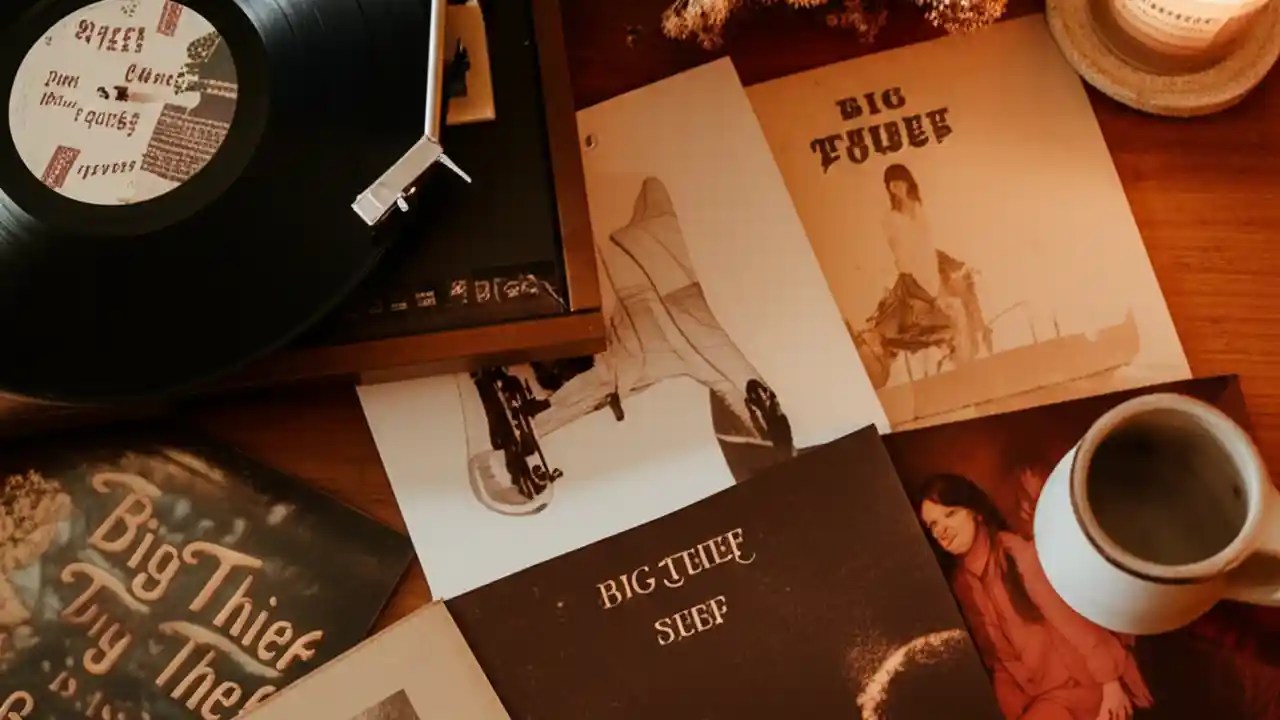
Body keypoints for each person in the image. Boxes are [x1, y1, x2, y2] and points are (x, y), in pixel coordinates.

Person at [914, 473, 1152, 720]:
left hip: (1081, 684)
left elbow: (1073, 621)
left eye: (950, 514)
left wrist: (1110, 684)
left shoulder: (1018, 555)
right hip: (1040, 697)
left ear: (976, 512)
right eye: (932, 525)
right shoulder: (962, 586)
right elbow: (999, 662)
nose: (941, 530)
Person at [860, 165, 991, 384]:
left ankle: (970, 358)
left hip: (930, 272)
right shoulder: (891, 219)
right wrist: (926, 284)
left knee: (965, 299)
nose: (897, 189)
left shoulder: (919, 210)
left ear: (908, 183)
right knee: (952, 312)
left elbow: (928, 248)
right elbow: (903, 256)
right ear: (889, 189)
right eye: (892, 185)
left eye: (900, 183)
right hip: (913, 279)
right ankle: (963, 365)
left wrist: (946, 269)